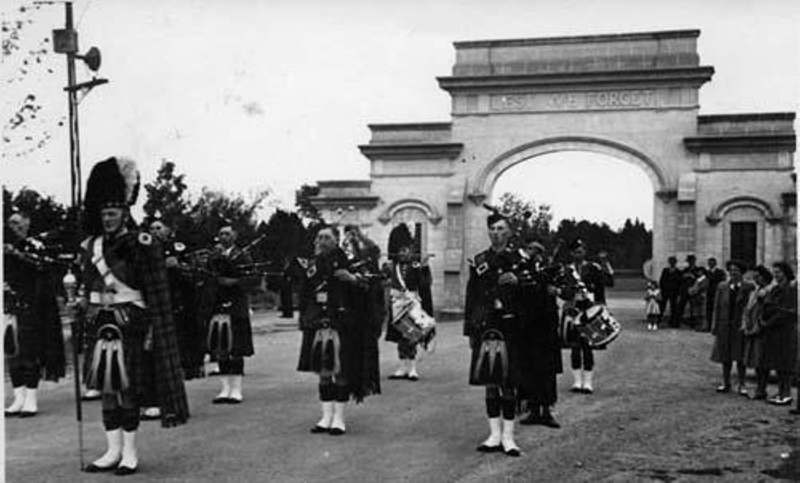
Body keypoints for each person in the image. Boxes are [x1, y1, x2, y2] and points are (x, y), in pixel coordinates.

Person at [78, 157, 189, 475]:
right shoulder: (92, 245)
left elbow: (156, 292)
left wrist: (155, 328)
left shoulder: (142, 243)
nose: (107, 219)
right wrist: (81, 303)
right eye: (104, 214)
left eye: (112, 213)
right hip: (101, 323)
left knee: (128, 390)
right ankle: (111, 451)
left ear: (125, 212)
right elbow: (88, 285)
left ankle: (129, 452)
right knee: (106, 389)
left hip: (132, 323)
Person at [296, 226, 382, 435]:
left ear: (336, 240)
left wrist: (352, 279)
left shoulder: (351, 262)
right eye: (319, 237)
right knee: (324, 372)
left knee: (342, 372)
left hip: (344, 324)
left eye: (326, 237)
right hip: (319, 323)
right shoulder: (312, 265)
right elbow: (304, 293)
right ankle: (325, 417)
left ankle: (339, 418)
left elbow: (370, 286)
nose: (321, 241)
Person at [464, 212, 525, 457]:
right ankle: (494, 435)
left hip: (511, 327)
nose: (496, 233)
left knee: (509, 383)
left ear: (509, 232)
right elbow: (472, 298)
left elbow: (535, 292)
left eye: (501, 229)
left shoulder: (519, 260)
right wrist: (470, 330)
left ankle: (509, 437)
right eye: (493, 229)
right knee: (490, 381)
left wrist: (518, 280)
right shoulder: (480, 261)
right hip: (486, 327)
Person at [137, 217, 204, 421]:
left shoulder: (179, 249)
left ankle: (170, 402)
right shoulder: (143, 250)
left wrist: (176, 267)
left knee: (169, 357)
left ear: (168, 230)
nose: (155, 231)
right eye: (152, 228)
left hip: (175, 309)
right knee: (148, 356)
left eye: (159, 227)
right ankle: (151, 401)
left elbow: (192, 277)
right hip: (149, 307)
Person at [3, 211, 66, 417]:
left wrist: (17, 253)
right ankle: (18, 398)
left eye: (18, 223)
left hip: (31, 306)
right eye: (11, 223)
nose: (13, 227)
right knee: (12, 353)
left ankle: (31, 398)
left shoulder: (34, 245)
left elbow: (46, 266)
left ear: (27, 224)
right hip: (8, 306)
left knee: (30, 353)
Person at [198, 223, 257, 404]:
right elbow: (205, 278)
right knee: (221, 347)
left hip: (237, 305)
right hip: (217, 305)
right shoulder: (213, 256)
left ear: (235, 236)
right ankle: (225, 388)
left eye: (227, 234)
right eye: (221, 233)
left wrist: (234, 282)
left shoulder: (243, 255)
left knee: (236, 348)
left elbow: (252, 279)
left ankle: (236, 389)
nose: (224, 237)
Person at [517, 237, 562, 429]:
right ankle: (533, 410)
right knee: (530, 369)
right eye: (530, 248)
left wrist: (556, 288)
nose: (532, 252)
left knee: (547, 371)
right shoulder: (523, 270)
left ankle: (547, 411)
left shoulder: (551, 271)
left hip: (547, 328)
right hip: (529, 327)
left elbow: (566, 289)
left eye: (536, 250)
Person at [561, 239, 614, 394]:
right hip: (573, 311)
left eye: (582, 250)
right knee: (575, 347)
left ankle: (588, 382)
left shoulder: (593, 268)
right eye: (576, 251)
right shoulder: (567, 270)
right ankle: (577, 381)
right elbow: (563, 289)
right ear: (572, 253)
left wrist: (605, 263)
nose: (580, 253)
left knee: (588, 346)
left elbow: (609, 282)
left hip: (590, 310)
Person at [384, 223, 434, 381]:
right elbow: (385, 282)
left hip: (412, 304)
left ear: (411, 251)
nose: (403, 253)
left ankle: (412, 368)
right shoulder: (393, 267)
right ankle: (402, 367)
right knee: (400, 336)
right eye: (400, 250)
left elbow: (425, 284)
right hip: (397, 304)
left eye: (406, 250)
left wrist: (424, 267)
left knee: (410, 335)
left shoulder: (416, 265)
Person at [710, 260, 754, 395]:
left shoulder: (748, 287)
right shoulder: (722, 286)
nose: (733, 273)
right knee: (725, 355)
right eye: (731, 270)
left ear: (742, 272)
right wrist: (714, 324)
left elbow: (751, 307)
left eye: (736, 270)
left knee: (740, 356)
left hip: (739, 325)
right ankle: (726, 382)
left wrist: (748, 324)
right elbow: (717, 307)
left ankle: (742, 384)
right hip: (724, 324)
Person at [760, 262, 797, 406]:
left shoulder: (790, 290)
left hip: (785, 330)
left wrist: (768, 322)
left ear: (786, 273)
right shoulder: (775, 288)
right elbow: (767, 306)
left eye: (779, 272)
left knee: (785, 363)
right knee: (778, 363)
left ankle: (786, 394)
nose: (776, 275)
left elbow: (785, 312)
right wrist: (763, 319)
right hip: (774, 330)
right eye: (774, 272)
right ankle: (781, 392)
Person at [741, 265, 775, 400]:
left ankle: (762, 388)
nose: (756, 279)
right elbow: (747, 309)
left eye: (758, 277)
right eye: (755, 277)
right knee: (755, 359)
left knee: (762, 360)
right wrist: (745, 325)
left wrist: (756, 328)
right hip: (751, 329)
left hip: (762, 330)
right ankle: (759, 388)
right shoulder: (754, 292)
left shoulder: (770, 291)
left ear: (765, 277)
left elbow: (765, 313)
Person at [658, 256, 682, 328]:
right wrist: (662, 290)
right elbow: (662, 281)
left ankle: (673, 322)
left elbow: (679, 283)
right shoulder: (665, 270)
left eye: (673, 262)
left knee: (673, 307)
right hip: (665, 291)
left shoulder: (678, 272)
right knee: (662, 306)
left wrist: (678, 292)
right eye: (671, 261)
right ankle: (658, 319)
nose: (672, 263)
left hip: (674, 292)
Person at [704, 257, 727, 332]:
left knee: (716, 310)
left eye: (712, 262)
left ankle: (715, 327)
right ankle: (708, 326)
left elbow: (723, 281)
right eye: (709, 262)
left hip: (717, 293)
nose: (710, 264)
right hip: (708, 293)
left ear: (715, 263)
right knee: (708, 310)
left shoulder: (720, 272)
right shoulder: (706, 272)